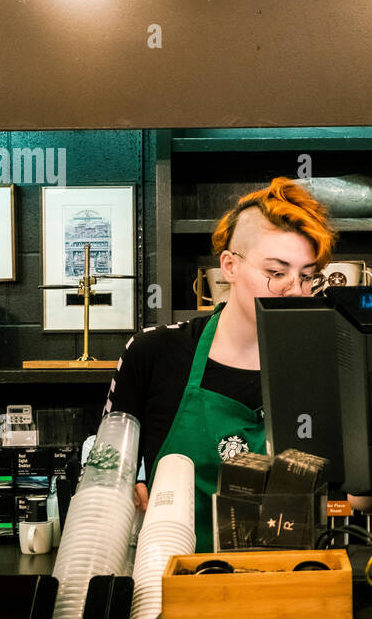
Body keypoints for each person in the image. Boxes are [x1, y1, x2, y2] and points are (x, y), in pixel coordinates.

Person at [102, 178, 336, 550]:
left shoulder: (322, 362)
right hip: (172, 582)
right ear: (229, 265)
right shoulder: (152, 353)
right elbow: (105, 474)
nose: (294, 290)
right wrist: (126, 484)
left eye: (306, 276)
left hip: (291, 582)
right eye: (276, 273)